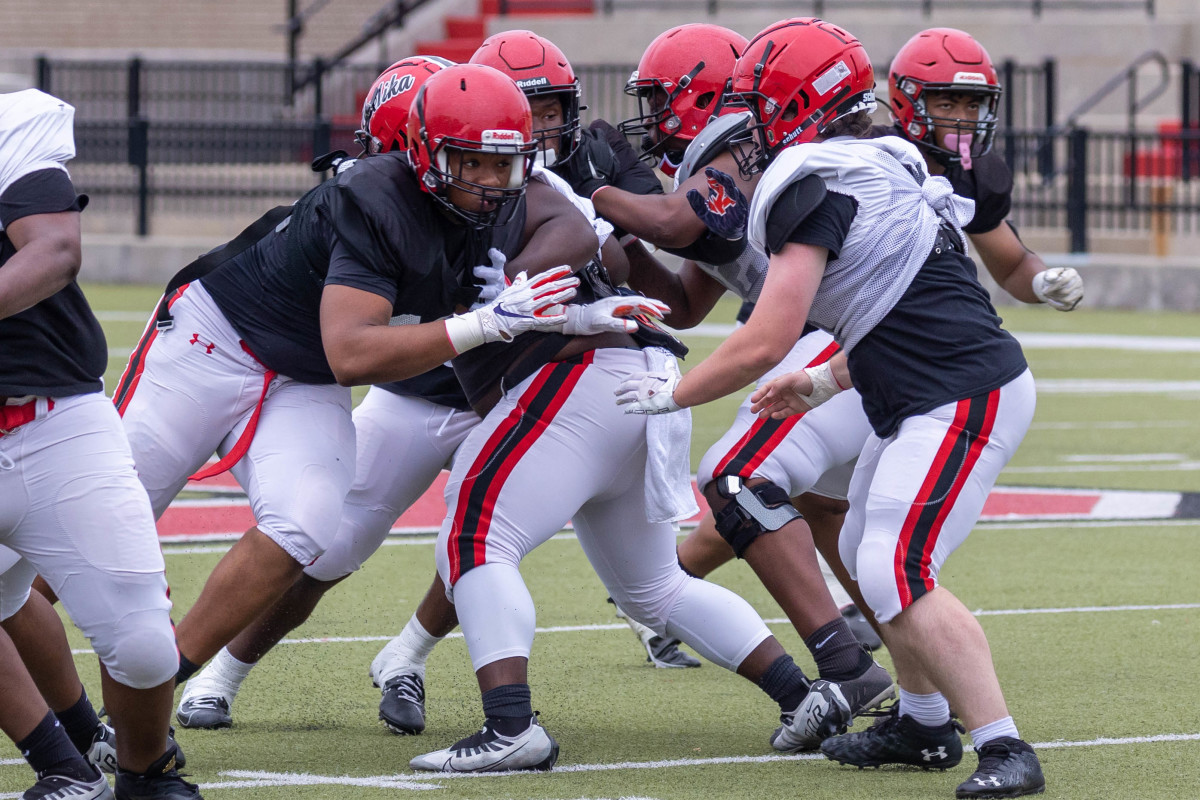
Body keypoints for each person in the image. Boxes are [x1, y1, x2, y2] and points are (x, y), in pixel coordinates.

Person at [617, 17, 1046, 798]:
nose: (747, 122)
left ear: (792, 100)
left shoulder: (809, 176)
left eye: (758, 99)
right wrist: (818, 383)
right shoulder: (876, 158)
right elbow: (901, 308)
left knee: (893, 566)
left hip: (959, 392)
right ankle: (921, 724)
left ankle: (1004, 745)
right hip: (917, 382)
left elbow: (767, 335)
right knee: (862, 546)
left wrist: (674, 391)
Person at [173, 56, 665, 733]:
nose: (387, 169)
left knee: (480, 541)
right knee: (329, 544)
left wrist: (519, 281)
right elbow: (353, 344)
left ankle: (407, 656)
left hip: (493, 392)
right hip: (409, 393)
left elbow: (587, 240)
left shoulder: (502, 179)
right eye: (384, 152)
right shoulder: (370, 206)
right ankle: (222, 673)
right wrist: (488, 315)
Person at [592, 22, 897, 742]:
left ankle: (844, 665)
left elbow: (675, 220)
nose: (654, 118)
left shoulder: (744, 153)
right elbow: (688, 300)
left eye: (663, 100)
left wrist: (594, 190)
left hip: (834, 339)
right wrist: (620, 240)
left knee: (738, 476)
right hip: (847, 342)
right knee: (824, 514)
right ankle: (915, 673)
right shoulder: (734, 160)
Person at [0, 88, 197, 799]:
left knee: (144, 647)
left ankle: (144, 773)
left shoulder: (11, 127)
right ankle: (65, 764)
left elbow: (54, 249)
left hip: (56, 424)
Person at [883, 27, 1083, 312]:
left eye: (973, 106)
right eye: (947, 105)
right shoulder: (871, 158)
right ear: (909, 103)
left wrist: (1042, 282)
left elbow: (1013, 266)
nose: (963, 119)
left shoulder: (974, 173)